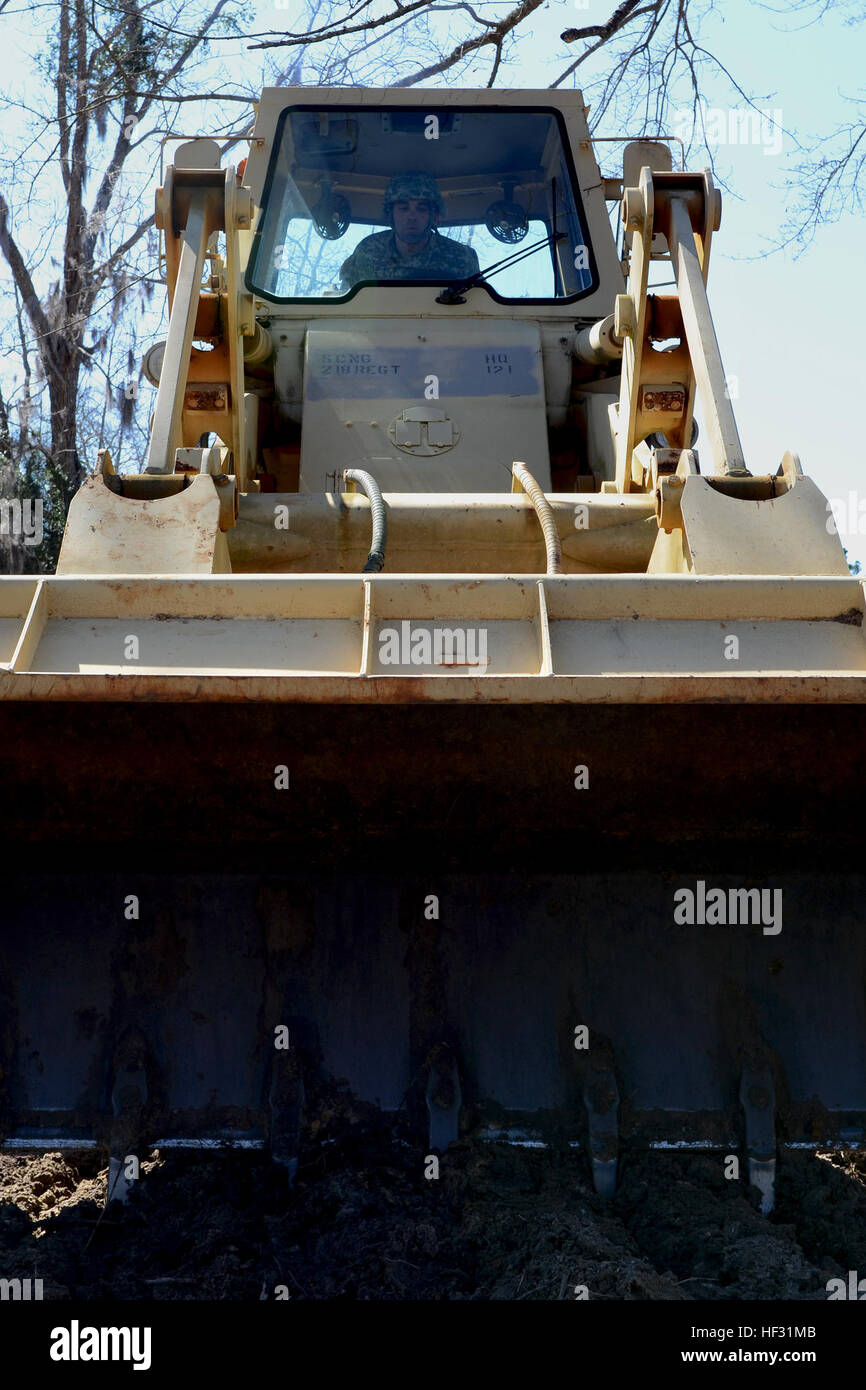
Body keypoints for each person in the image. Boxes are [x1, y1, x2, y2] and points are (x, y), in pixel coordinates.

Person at [340, 172, 480, 288]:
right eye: (403, 208)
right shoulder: (368, 251)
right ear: (390, 215)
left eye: (421, 209)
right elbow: (345, 305)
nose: (412, 217)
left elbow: (480, 311)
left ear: (435, 216)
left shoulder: (461, 258)